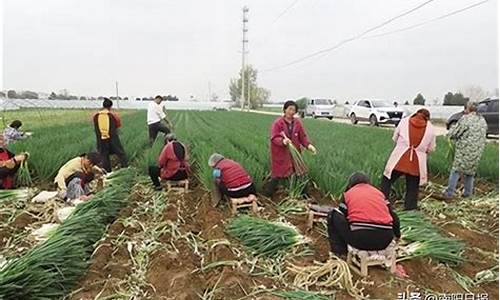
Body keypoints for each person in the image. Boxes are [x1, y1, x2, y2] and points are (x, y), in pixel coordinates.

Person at [327, 172, 400, 256]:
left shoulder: (349, 193)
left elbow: (343, 216)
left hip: (360, 240)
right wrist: (397, 235)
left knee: (334, 214)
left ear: (351, 185)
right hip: (385, 240)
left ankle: (339, 252)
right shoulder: (379, 194)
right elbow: (394, 217)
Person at [381, 108, 436, 210]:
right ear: (427, 118)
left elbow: (395, 138)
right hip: (416, 162)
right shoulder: (431, 129)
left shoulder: (404, 121)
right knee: (412, 188)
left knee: (387, 180)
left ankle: (382, 203)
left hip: (399, 159)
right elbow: (431, 148)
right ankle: (410, 209)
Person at [264, 100, 317, 198]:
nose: (292, 112)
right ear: (284, 110)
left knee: (301, 174)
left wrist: (309, 146)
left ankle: (306, 195)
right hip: (281, 154)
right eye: (290, 109)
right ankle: (267, 195)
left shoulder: (297, 123)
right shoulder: (278, 123)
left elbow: (303, 137)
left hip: (294, 154)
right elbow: (274, 137)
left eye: (294, 110)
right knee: (277, 175)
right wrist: (283, 141)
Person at [444, 102, 487, 198]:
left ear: (468, 109)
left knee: (456, 170)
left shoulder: (466, 119)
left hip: (464, 151)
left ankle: (449, 193)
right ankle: (468, 194)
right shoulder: (482, 120)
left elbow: (455, 133)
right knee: (470, 172)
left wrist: (451, 129)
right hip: (477, 151)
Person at [93, 98, 128, 172]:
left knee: (104, 156)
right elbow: (118, 125)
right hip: (112, 139)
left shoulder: (96, 116)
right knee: (121, 153)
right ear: (110, 107)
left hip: (101, 140)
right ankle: (125, 168)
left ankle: (107, 172)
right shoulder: (113, 115)